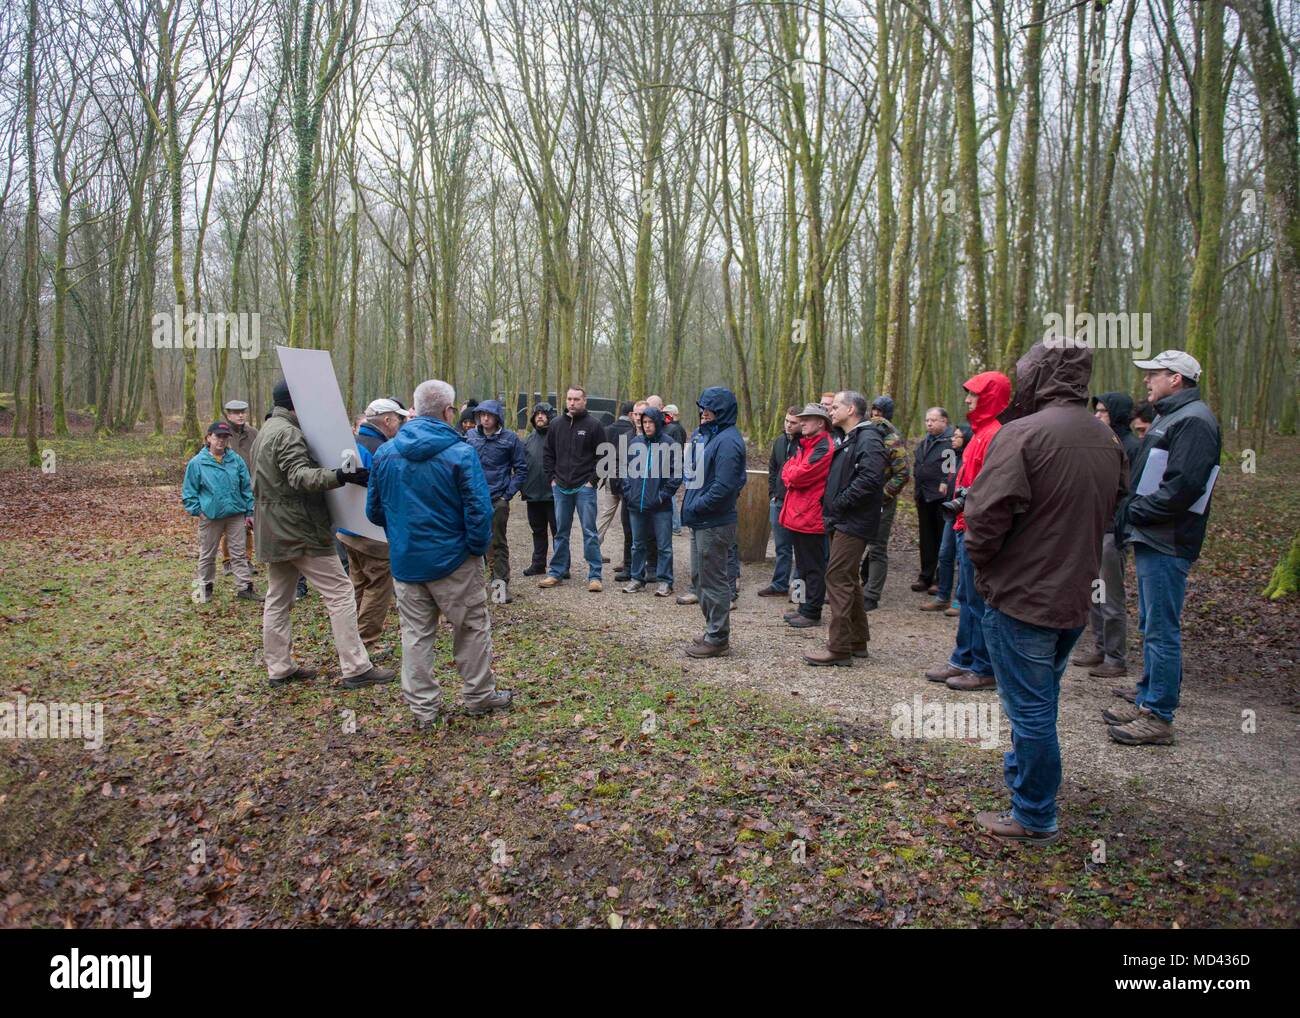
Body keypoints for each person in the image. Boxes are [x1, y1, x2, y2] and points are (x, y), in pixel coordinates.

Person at [964, 340, 1128, 845]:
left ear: (1038, 376)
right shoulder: (1107, 439)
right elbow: (1114, 503)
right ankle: (1027, 790)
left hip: (1024, 597)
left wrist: (986, 563)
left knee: (1030, 710)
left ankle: (1035, 813)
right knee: (1039, 702)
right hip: (1072, 594)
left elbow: (985, 514)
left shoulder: (1023, 434)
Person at [367, 380, 513, 728]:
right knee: (471, 627)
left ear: (415, 410)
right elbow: (479, 511)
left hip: (408, 560)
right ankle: (478, 695)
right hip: (454, 562)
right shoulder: (461, 453)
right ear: (449, 412)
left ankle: (423, 710)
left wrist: (401, 535)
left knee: (416, 635)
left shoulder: (386, 454)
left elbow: (374, 512)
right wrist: (475, 550)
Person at [1105, 350, 1220, 745]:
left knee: (1161, 629)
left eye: (1154, 374)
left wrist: (1136, 510)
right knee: (1151, 624)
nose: (1146, 381)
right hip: (1154, 534)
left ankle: (1158, 714)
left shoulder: (1194, 421)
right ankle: (1146, 695)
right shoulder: (1170, 416)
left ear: (1176, 379)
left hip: (1167, 538)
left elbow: (1183, 486)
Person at [253, 379, 395, 690]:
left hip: (275, 528)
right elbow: (299, 477)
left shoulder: (267, 429)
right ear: (295, 403)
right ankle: (356, 667)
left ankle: (279, 667)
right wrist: (341, 475)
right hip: (298, 529)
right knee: (340, 592)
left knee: (278, 598)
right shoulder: (288, 432)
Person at [923, 370, 1011, 689]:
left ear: (988, 398)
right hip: (964, 525)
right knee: (966, 596)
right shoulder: (979, 434)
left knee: (979, 600)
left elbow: (990, 487)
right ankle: (963, 659)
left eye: (973, 395)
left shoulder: (994, 435)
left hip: (977, 528)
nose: (967, 400)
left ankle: (984, 667)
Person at [803, 391, 885, 666]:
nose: (831, 410)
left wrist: (839, 503)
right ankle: (856, 640)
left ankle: (838, 648)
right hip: (844, 518)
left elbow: (871, 478)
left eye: (835, 406)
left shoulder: (868, 438)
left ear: (851, 410)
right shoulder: (850, 438)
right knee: (848, 578)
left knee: (837, 577)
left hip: (854, 521)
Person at [1070, 391, 1141, 679]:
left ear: (1117, 413)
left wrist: (1120, 523)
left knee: (1111, 596)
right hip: (1093, 527)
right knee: (1094, 593)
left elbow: (1132, 491)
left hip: (1114, 529)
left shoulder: (1133, 446)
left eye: (1103, 411)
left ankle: (1116, 657)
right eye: (1096, 411)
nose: (1097, 416)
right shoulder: (1101, 442)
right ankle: (1100, 647)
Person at [336, 398, 409, 655]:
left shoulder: (351, 442)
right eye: (399, 419)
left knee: (357, 585)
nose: (401, 424)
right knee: (378, 587)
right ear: (387, 421)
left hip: (348, 530)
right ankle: (365, 644)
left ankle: (350, 641)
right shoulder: (380, 449)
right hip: (371, 532)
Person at [681, 387, 747, 657]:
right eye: (702, 408)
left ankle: (719, 638)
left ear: (722, 412)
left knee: (714, 580)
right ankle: (712, 629)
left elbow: (725, 486)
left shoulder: (728, 441)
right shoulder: (710, 437)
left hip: (714, 522)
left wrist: (696, 505)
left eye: (709, 409)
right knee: (699, 578)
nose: (703, 413)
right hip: (702, 521)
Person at [540, 386, 608, 592]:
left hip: (584, 487)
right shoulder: (556, 425)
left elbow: (604, 456)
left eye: (576, 399)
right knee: (561, 531)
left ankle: (595, 575)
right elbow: (548, 453)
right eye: (569, 399)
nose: (572, 403)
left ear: (584, 401)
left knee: (589, 531)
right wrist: (552, 478)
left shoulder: (594, 425)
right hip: (560, 486)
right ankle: (556, 572)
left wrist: (592, 481)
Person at [183, 421, 260, 603]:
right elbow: (189, 491)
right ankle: (204, 588)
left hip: (235, 514)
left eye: (225, 437)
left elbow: (246, 487)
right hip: (211, 516)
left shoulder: (236, 460)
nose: (221, 441)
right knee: (207, 554)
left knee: (239, 553)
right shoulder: (197, 463)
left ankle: (245, 588)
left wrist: (249, 511)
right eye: (218, 436)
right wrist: (198, 511)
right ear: (208, 437)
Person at [466, 398, 528, 603]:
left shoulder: (510, 439)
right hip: (473, 498)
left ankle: (500, 588)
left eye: (488, 415)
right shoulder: (470, 436)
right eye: (481, 414)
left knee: (498, 543)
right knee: (472, 542)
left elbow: (521, 469)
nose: (484, 418)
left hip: (497, 499)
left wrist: (506, 495)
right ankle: (473, 588)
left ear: (497, 417)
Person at [778, 404, 833, 628]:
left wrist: (792, 474)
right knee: (802, 564)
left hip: (811, 516)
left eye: (807, 419)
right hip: (798, 514)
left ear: (820, 422)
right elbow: (786, 470)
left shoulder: (823, 446)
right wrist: (792, 473)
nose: (802, 423)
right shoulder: (806, 445)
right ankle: (803, 607)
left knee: (813, 566)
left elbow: (799, 475)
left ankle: (812, 611)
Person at [620, 406, 680, 596]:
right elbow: (624, 470)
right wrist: (629, 493)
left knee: (664, 546)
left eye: (650, 422)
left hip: (660, 506)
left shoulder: (670, 444)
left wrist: (662, 496)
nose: (647, 426)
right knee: (637, 544)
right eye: (644, 422)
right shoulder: (634, 443)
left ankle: (665, 581)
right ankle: (637, 579)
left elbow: (676, 475)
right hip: (636, 504)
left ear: (658, 423)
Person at [860, 395, 911, 610]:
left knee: (878, 547)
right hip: (862, 499)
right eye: (873, 410)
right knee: (859, 544)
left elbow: (903, 473)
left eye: (879, 411)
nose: (875, 415)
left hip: (882, 501)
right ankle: (864, 581)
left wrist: (883, 496)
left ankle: (871, 595)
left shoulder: (892, 439)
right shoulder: (865, 433)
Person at [921, 423, 970, 615]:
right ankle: (942, 596)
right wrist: (943, 482)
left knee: (962, 559)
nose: (953, 439)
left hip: (964, 513)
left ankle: (960, 600)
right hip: (950, 511)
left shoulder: (970, 457)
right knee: (944, 554)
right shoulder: (952, 454)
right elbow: (946, 472)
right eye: (953, 436)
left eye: (957, 437)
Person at [758, 407, 802, 598]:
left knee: (801, 549)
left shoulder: (806, 444)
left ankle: (799, 592)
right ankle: (779, 584)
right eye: (786, 421)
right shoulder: (779, 441)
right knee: (782, 547)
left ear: (801, 423)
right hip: (778, 501)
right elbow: (773, 468)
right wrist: (773, 493)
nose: (788, 425)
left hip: (798, 504)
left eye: (793, 422)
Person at [912, 407, 953, 595]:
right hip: (923, 497)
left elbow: (950, 469)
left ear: (944, 421)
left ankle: (940, 578)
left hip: (940, 499)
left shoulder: (949, 443)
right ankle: (925, 575)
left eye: (933, 420)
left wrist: (944, 484)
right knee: (926, 540)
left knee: (941, 540)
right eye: (927, 420)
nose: (929, 424)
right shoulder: (924, 443)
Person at [617, 401, 657, 581]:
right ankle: (628, 566)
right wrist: (624, 489)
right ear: (632, 416)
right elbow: (619, 464)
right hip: (630, 494)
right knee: (628, 531)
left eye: (643, 414)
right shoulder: (625, 437)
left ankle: (652, 567)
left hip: (651, 494)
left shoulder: (659, 438)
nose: (640, 418)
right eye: (636, 414)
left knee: (651, 531)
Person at [220, 399, 258, 576]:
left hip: (251, 483)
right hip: (229, 485)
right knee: (230, 525)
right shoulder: (223, 434)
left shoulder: (253, 433)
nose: (241, 415)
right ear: (228, 415)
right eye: (236, 412)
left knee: (248, 523)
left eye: (243, 411)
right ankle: (228, 560)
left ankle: (247, 560)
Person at [521, 403, 558, 576]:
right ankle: (538, 564)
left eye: (544, 414)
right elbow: (521, 465)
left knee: (558, 532)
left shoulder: (558, 437)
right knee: (537, 530)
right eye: (537, 414)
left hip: (555, 494)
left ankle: (561, 565)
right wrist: (523, 487)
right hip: (533, 494)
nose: (540, 417)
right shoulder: (528, 439)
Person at [598, 401, 636, 558]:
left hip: (611, 477)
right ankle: (629, 557)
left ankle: (593, 548)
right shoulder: (633, 432)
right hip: (629, 479)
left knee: (605, 515)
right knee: (629, 521)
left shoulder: (607, 430)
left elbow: (601, 455)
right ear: (630, 414)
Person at [662, 404, 688, 533]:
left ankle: (676, 525)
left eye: (665, 413)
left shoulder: (675, 429)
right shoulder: (676, 428)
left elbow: (676, 449)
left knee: (670, 495)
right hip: (671, 465)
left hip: (671, 466)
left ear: (671, 415)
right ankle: (675, 524)